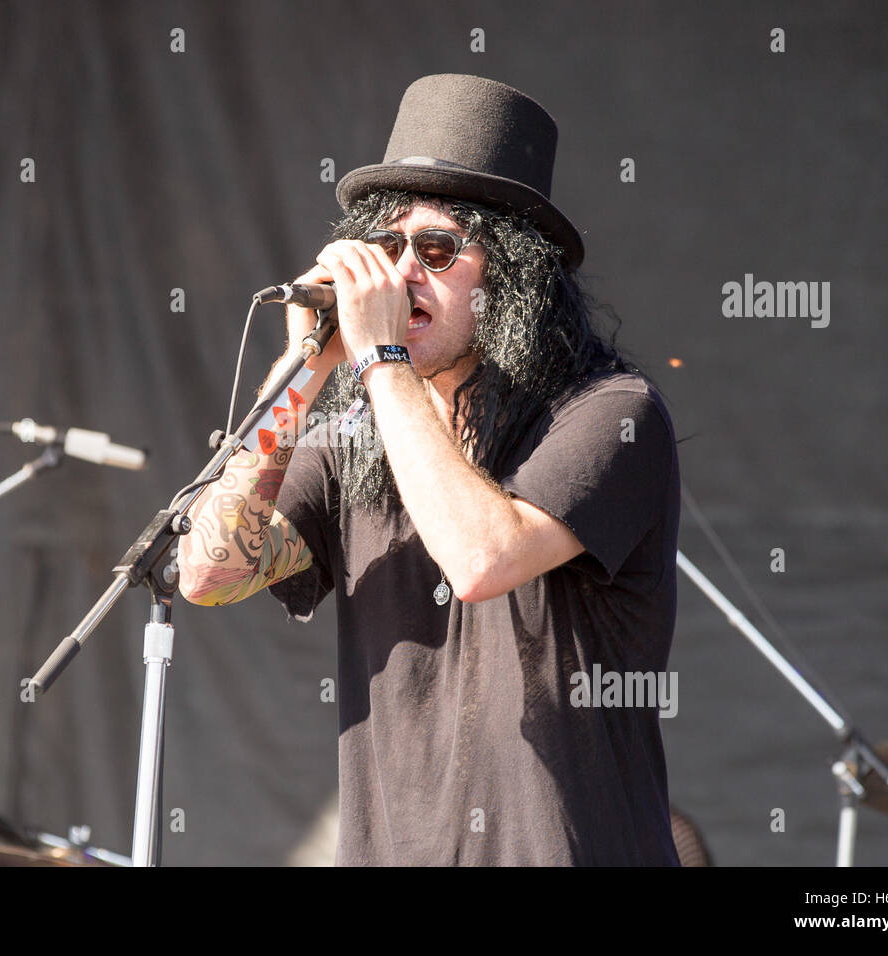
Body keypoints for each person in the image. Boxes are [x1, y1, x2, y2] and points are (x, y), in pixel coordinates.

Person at [179, 74, 681, 866]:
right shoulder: (357, 429)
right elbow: (209, 570)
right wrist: (303, 363)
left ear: (512, 273)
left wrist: (381, 358)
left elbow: (483, 558)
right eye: (385, 247)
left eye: (436, 248)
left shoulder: (610, 412)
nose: (401, 272)